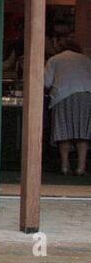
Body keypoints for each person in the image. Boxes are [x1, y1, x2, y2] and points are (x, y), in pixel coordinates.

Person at [45, 36, 91, 176]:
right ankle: (81, 168)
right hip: (85, 95)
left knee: (63, 131)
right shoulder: (86, 59)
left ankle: (65, 166)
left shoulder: (54, 60)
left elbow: (46, 82)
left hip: (62, 96)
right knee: (82, 132)